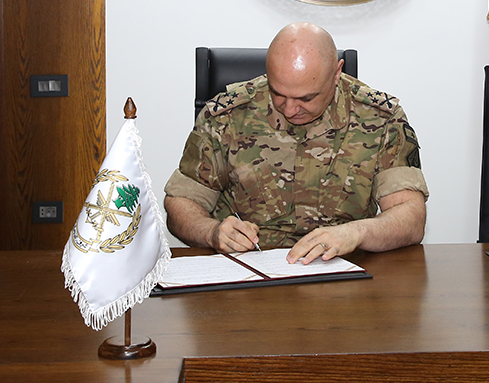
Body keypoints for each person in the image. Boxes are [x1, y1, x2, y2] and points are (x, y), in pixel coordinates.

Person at [164, 22, 428, 264]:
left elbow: (411, 216)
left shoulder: (379, 118)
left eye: (306, 98)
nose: (290, 110)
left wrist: (357, 232)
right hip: (248, 271)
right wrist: (212, 232)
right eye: (278, 93)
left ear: (336, 73)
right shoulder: (226, 117)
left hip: (342, 271)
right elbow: (181, 203)